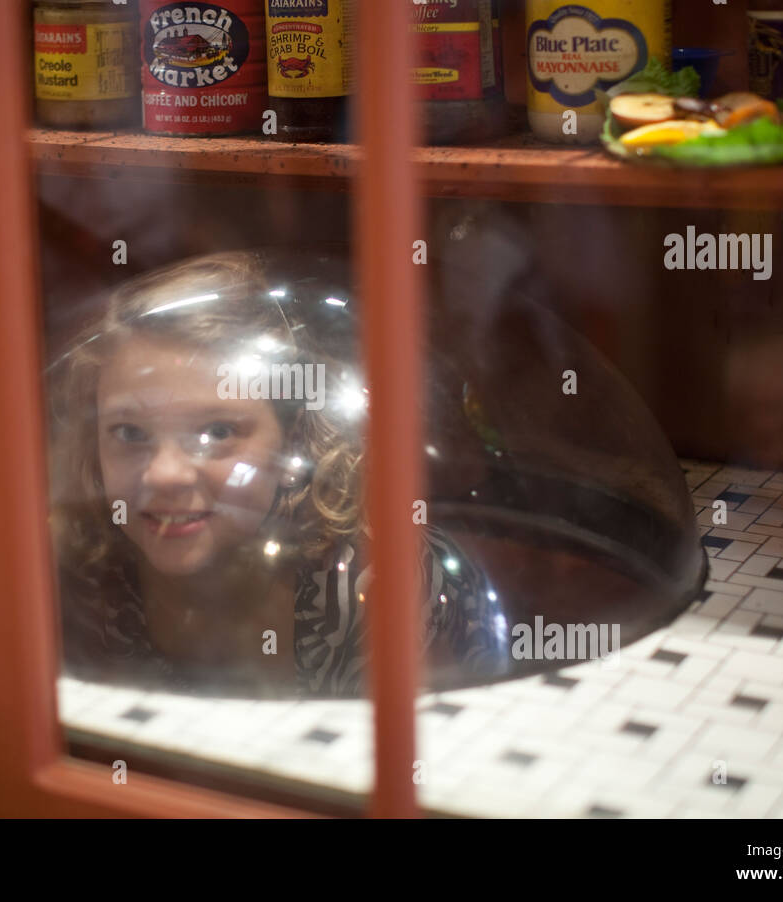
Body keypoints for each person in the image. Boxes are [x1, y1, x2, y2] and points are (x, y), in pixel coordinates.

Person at [47, 251, 500, 698]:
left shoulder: (384, 581)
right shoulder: (77, 569)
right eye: (129, 432)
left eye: (218, 431)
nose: (165, 474)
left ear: (294, 443)